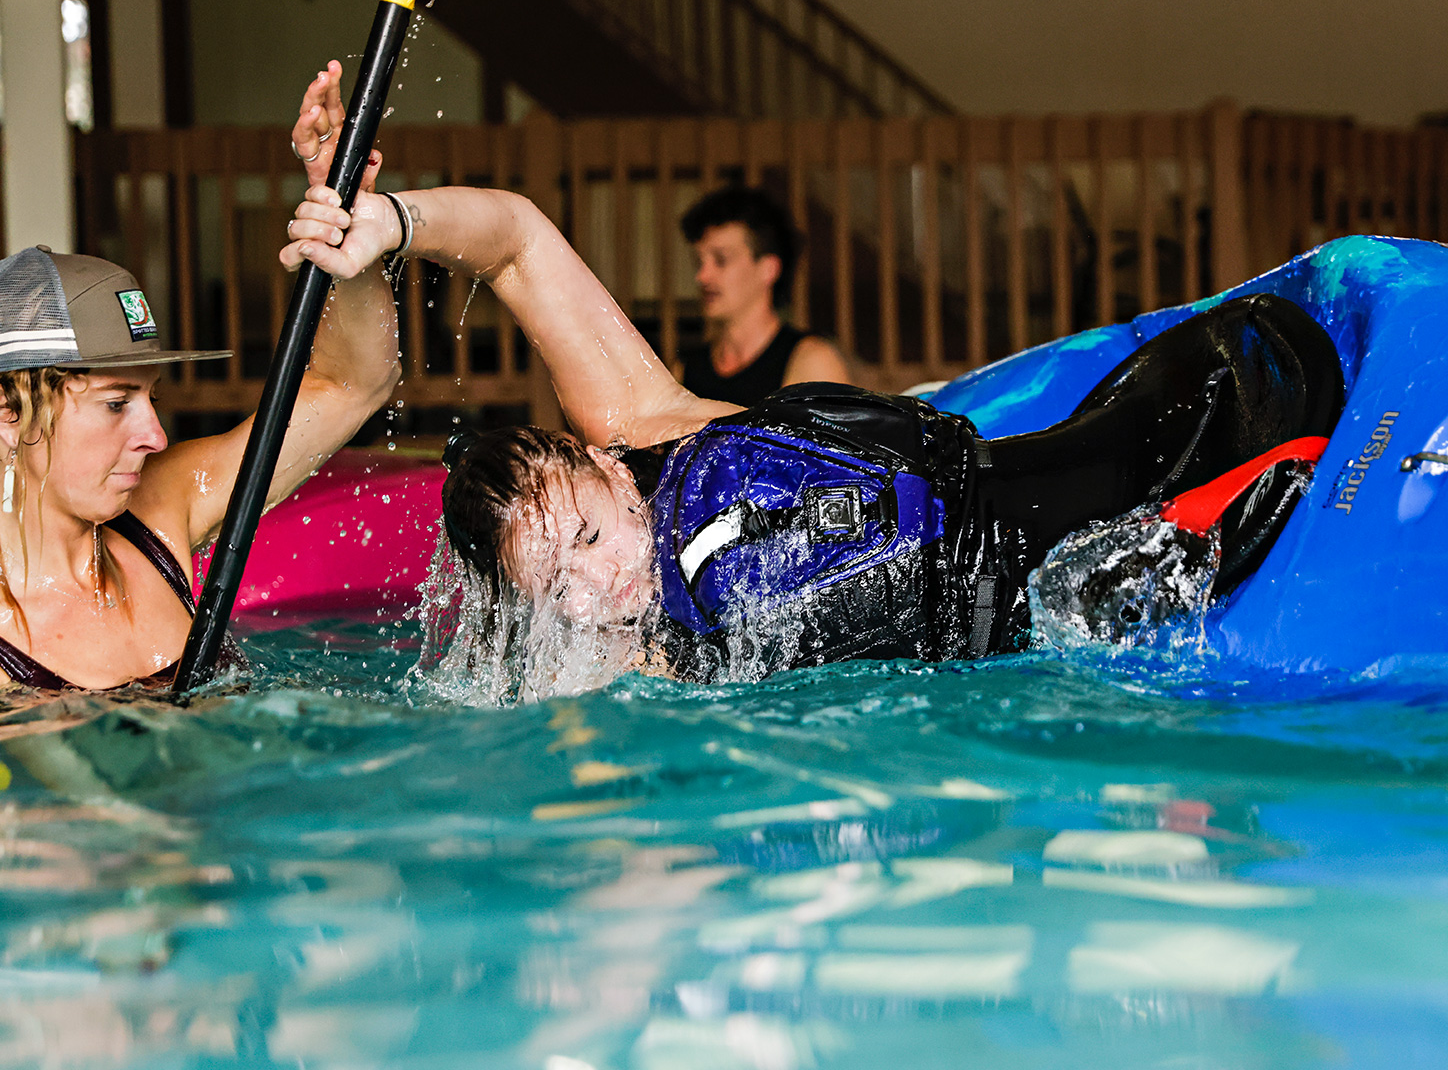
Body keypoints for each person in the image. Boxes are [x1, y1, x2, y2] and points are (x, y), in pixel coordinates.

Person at [280, 68, 1344, 683]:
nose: (597, 583)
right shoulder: (615, 678)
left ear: (607, 468)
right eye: (556, 585)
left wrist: (391, 224)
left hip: (1181, 433)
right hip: (1050, 634)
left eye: (592, 537)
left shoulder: (647, 422)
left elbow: (512, 240)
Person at [0, 85, 401, 712]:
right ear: (6, 412)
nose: (156, 435)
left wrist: (351, 221)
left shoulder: (159, 512)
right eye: (117, 403)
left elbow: (356, 384)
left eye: (149, 398)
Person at [678, 186, 851, 405]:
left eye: (721, 260)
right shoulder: (686, 370)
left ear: (768, 269)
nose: (703, 276)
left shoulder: (811, 362)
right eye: (699, 262)